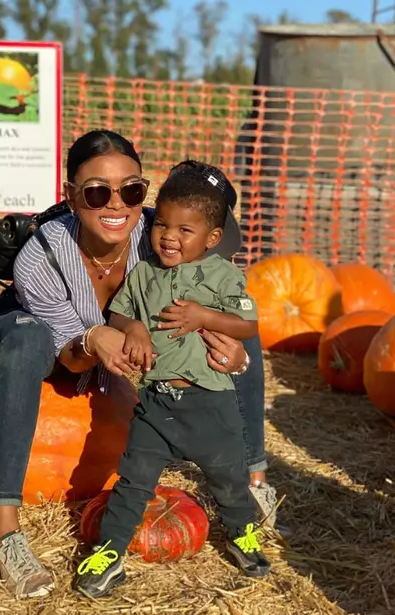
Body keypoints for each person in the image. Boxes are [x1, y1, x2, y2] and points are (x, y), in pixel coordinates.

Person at [0, 129, 276, 600]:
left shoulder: (163, 233)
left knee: (241, 332)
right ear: (71, 196)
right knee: (26, 339)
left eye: (131, 190)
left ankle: (256, 479)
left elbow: (221, 301)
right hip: (40, 341)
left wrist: (234, 359)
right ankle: (7, 532)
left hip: (113, 349)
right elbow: (71, 358)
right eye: (97, 192)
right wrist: (98, 336)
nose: (116, 205)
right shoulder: (42, 254)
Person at [72, 161, 271, 600]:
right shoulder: (143, 275)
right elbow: (121, 312)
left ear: (212, 238)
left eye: (185, 230)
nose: (169, 236)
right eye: (162, 224)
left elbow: (247, 326)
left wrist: (204, 316)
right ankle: (109, 553)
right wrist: (133, 328)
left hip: (210, 405)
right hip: (156, 406)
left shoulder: (224, 276)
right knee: (132, 484)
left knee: (228, 481)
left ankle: (242, 535)